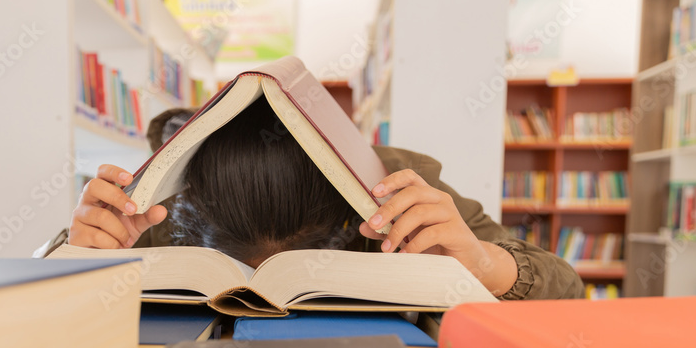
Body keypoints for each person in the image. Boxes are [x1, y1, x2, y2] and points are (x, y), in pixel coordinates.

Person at [40, 100, 585, 300]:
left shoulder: (402, 186)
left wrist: (487, 265)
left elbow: (567, 292)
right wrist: (75, 253)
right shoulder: (160, 203)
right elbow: (31, 306)